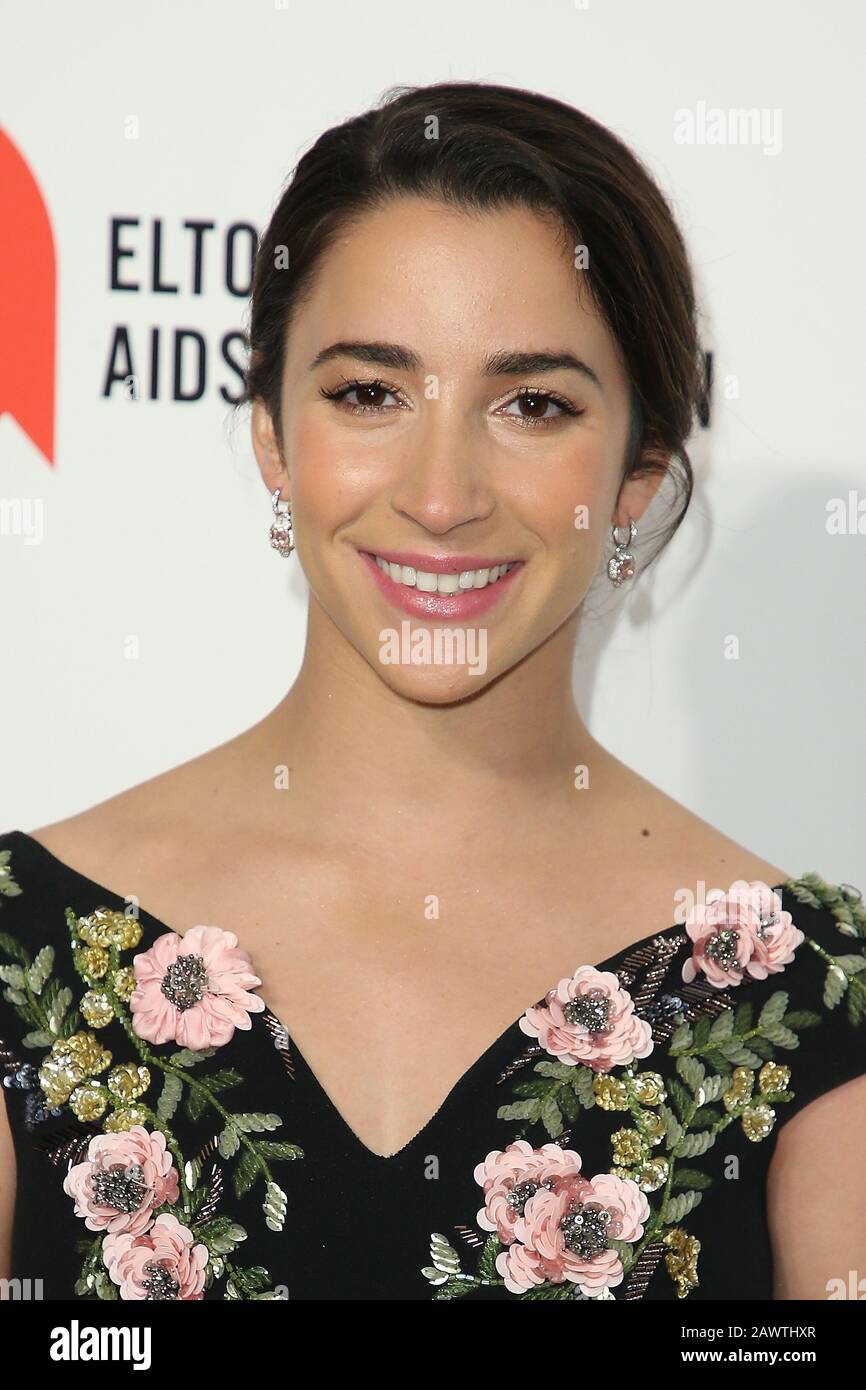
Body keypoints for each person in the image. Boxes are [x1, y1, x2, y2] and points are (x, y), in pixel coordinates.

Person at [2, 80, 864, 1303]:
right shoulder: (24, 958)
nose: (442, 491)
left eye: (532, 404)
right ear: (271, 437)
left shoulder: (807, 1001)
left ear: (636, 473)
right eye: (368, 391)